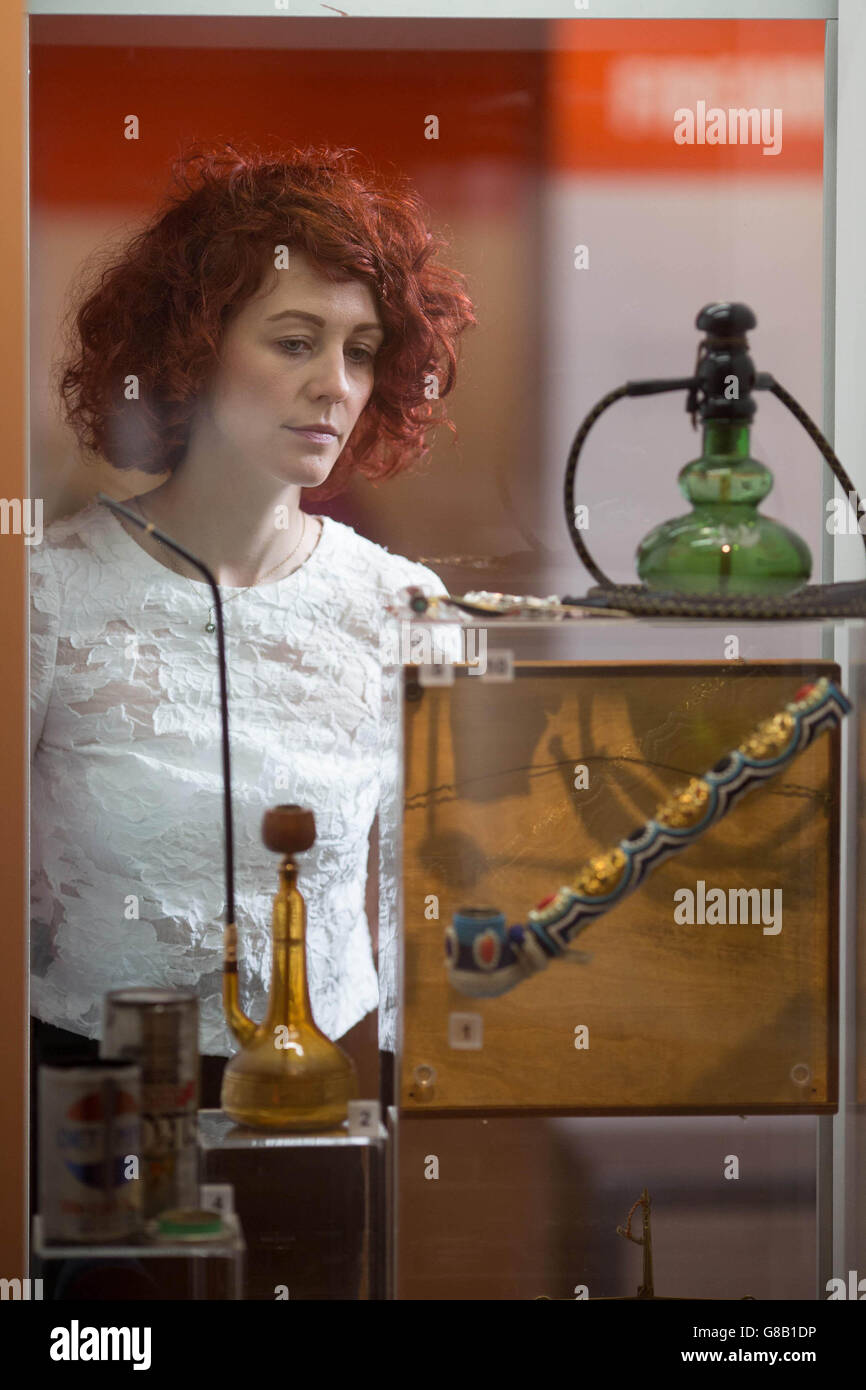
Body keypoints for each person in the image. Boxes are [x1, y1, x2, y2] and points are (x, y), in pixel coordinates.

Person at [29, 143, 475, 1210]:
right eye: (293, 340)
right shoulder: (46, 597)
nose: (335, 384)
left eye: (363, 351)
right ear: (189, 350)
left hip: (325, 1121)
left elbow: (438, 904)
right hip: (84, 1120)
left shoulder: (400, 604)